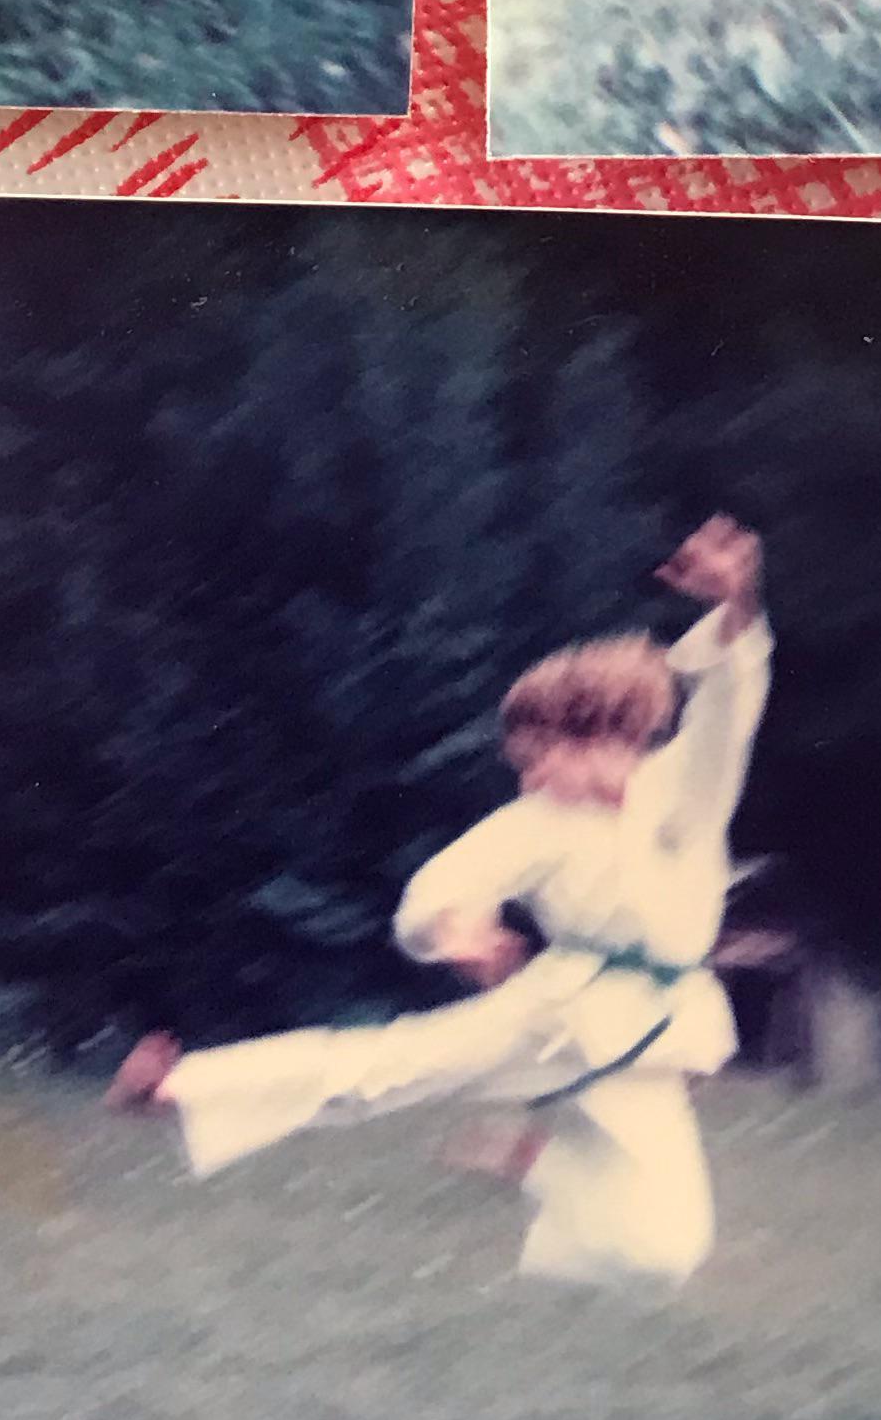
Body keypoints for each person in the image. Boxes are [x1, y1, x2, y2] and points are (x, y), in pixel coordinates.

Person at [109, 516, 775, 1290]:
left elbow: (730, 706)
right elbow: (435, 893)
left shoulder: (684, 792)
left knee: (664, 1253)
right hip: (558, 1008)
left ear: (600, 735)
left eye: (537, 761)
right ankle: (173, 1089)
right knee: (385, 1069)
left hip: (653, 1028)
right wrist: (458, 931)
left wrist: (738, 605)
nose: (527, 781)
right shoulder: (534, 822)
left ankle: (533, 1161)